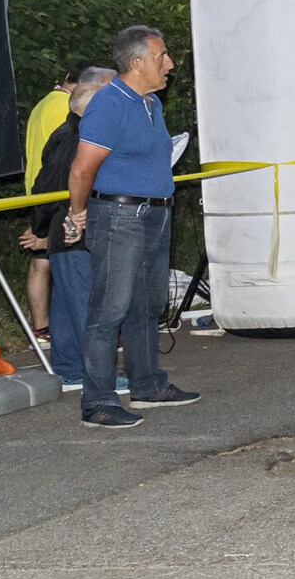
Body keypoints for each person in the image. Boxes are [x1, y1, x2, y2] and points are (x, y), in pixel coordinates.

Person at [62, 26, 201, 428]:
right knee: (109, 311)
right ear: (137, 63)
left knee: (147, 306)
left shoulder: (150, 102)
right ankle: (97, 402)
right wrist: (77, 213)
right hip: (119, 218)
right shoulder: (109, 104)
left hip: (155, 214)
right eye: (162, 57)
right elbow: (81, 169)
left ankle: (148, 384)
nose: (169, 64)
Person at [25, 66, 112, 392]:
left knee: (65, 303)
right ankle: (98, 377)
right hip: (70, 229)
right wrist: (41, 230)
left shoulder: (72, 134)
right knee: (85, 305)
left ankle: (68, 369)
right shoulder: (74, 139)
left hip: (66, 229)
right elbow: (48, 187)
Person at [20, 64, 101, 338]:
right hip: (56, 197)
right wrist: (41, 225)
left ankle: (44, 327)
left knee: (43, 264)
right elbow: (66, 163)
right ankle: (45, 328)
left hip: (41, 192)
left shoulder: (43, 103)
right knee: (53, 264)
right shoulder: (64, 110)